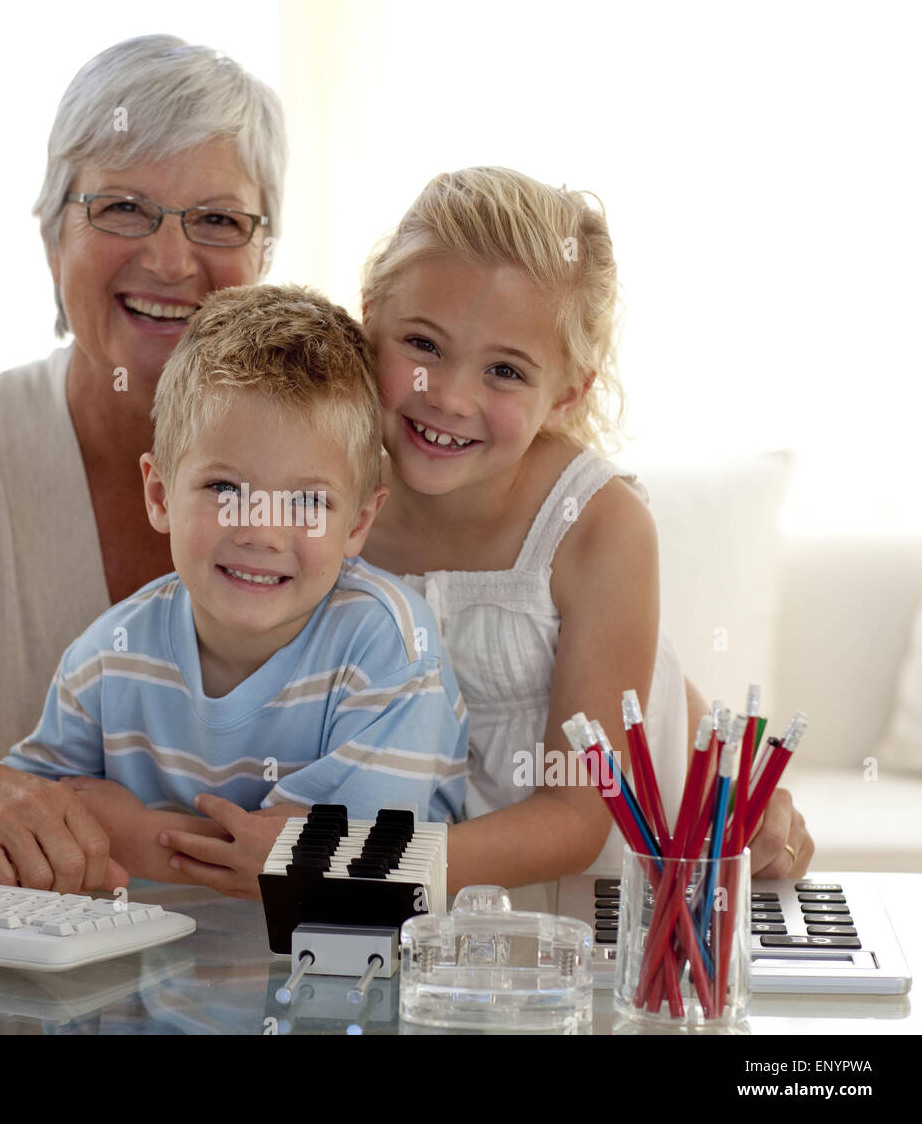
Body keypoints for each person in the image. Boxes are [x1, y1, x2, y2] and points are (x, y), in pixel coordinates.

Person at [164, 167, 813, 894]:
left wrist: (339, 860)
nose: (449, 396)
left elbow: (574, 817)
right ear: (370, 319)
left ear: (567, 391)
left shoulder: (597, 526)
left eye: (505, 370)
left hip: (603, 893)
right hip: (408, 903)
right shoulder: (322, 498)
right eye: (423, 344)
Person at [0, 35, 288, 891]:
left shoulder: (334, 470)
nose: (170, 261)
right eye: (122, 208)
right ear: (54, 236)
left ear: (263, 256)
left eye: (216, 219)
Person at [0, 283, 467, 890]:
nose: (262, 533)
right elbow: (23, 822)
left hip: (357, 980)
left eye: (306, 501)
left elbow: (349, 878)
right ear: (160, 493)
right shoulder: (108, 656)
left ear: (357, 522)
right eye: (225, 489)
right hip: (152, 979)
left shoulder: (389, 649)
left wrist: (132, 836)